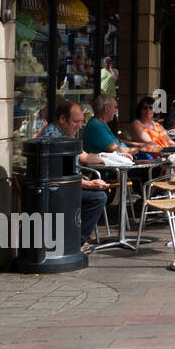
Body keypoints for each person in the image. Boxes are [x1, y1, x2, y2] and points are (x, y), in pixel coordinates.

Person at [39, 101, 111, 249]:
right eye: (75, 122)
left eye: (81, 122)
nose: (79, 126)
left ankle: (73, 237)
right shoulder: (54, 138)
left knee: (97, 194)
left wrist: (110, 158)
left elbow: (84, 157)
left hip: (66, 185)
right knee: (98, 198)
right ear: (62, 119)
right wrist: (90, 184)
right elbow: (60, 175)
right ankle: (75, 243)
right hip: (54, 189)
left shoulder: (66, 134)